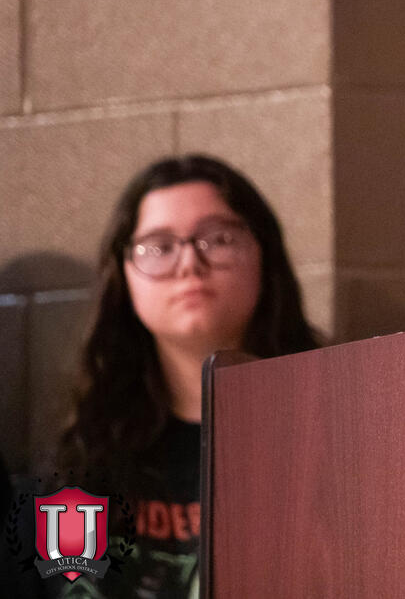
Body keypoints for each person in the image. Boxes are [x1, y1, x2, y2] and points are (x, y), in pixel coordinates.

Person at [54, 154, 321, 597]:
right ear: (124, 275)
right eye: (158, 246)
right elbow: (63, 587)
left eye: (217, 239)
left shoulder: (337, 424)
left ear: (264, 255)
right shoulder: (80, 452)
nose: (188, 265)